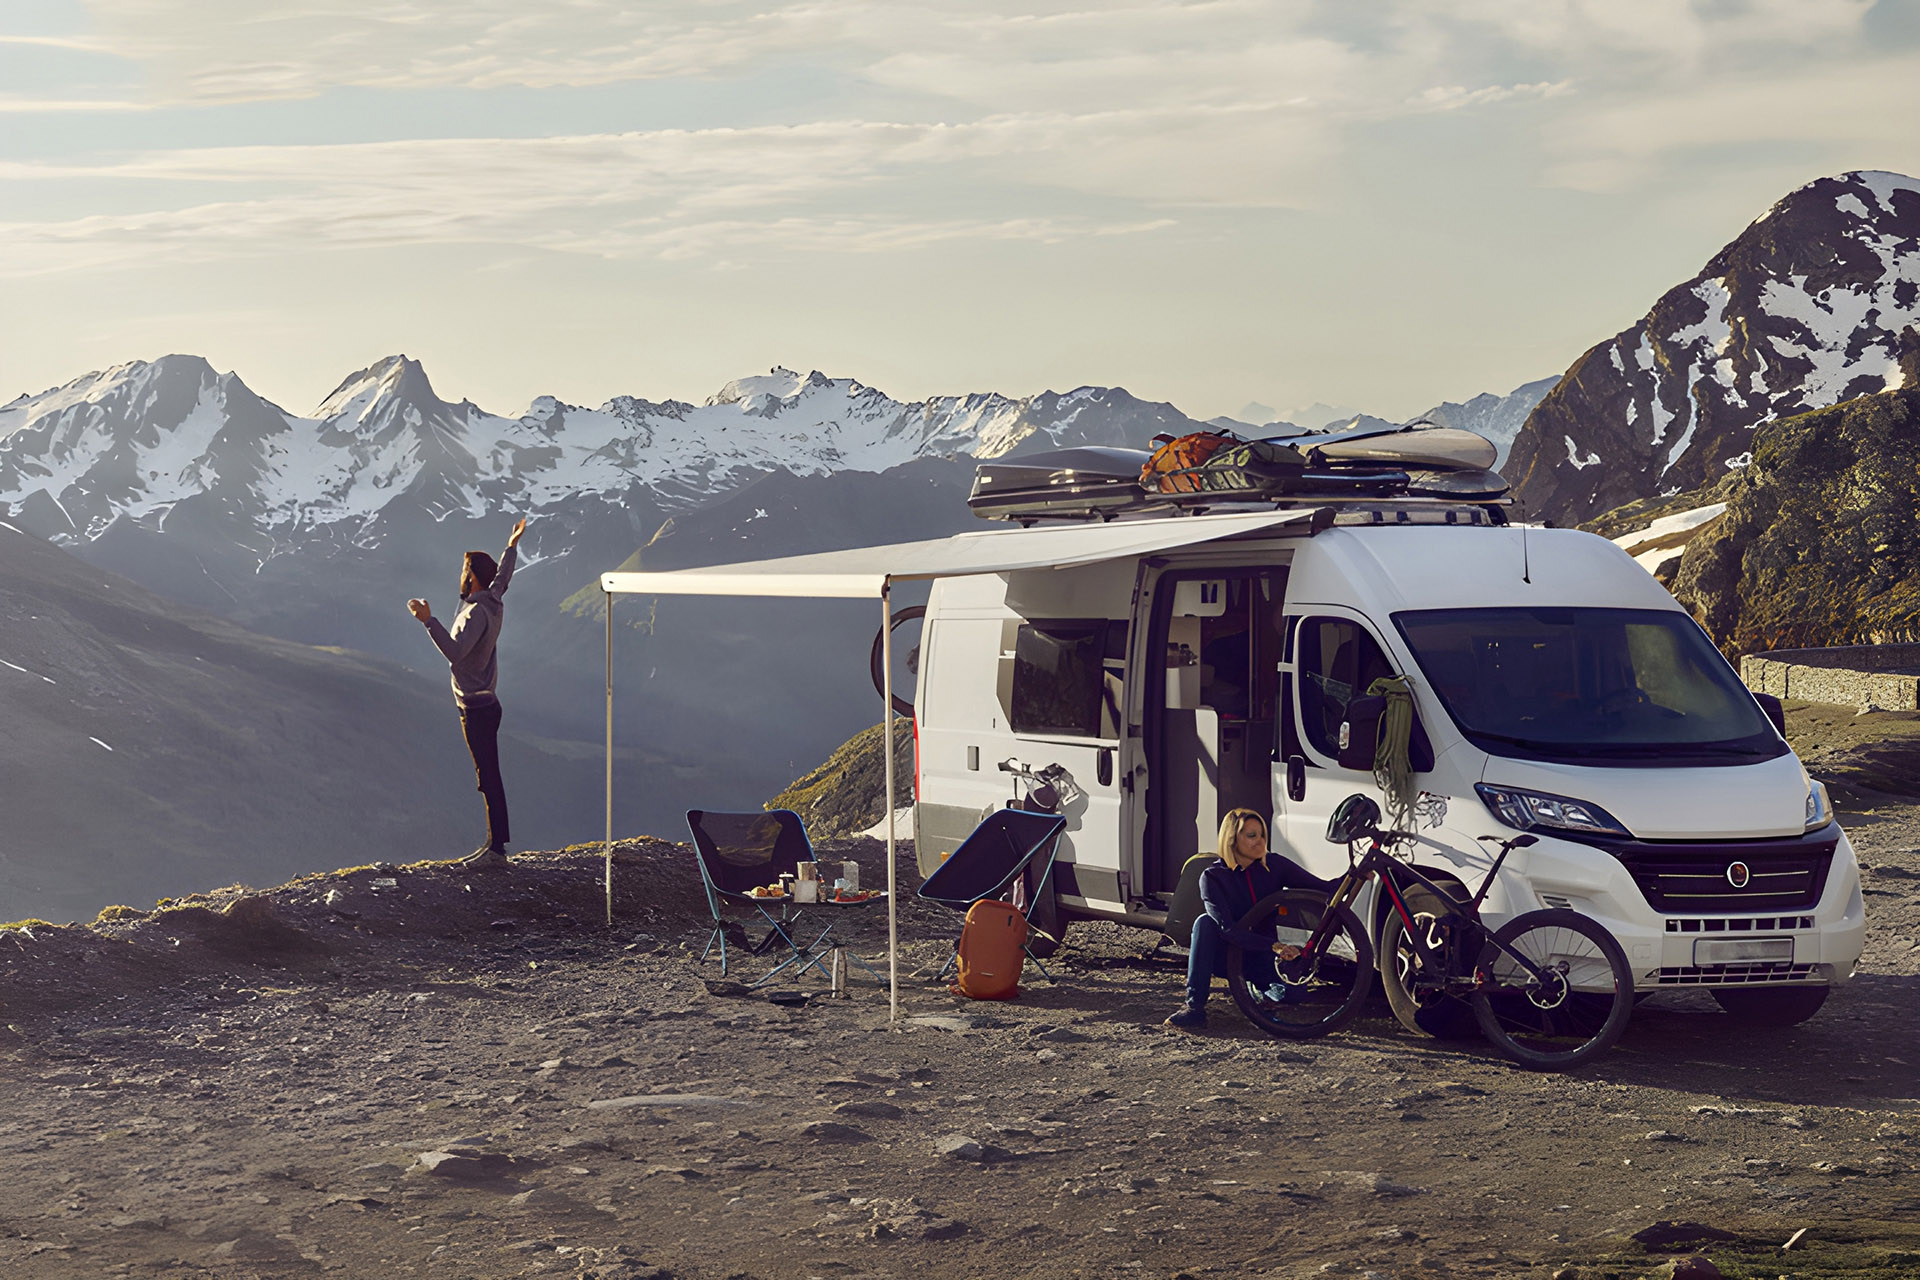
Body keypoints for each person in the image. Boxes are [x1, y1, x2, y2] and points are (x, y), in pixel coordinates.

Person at [409, 517, 526, 867]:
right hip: (488, 703)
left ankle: (495, 851)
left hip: (475, 707)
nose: (461, 576)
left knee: (487, 776)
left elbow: (456, 652)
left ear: (472, 576)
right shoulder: (494, 598)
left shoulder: (476, 612)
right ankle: (495, 844)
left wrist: (428, 620)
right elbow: (503, 577)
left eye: (464, 570)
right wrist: (512, 545)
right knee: (490, 774)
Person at [1165, 808, 1307, 1029]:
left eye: (1262, 835)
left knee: (1295, 995)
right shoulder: (1212, 877)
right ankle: (1193, 1008)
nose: (1260, 841)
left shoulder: (1275, 865)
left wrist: (1357, 875)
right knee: (1204, 923)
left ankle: (1256, 989)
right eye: (1251, 836)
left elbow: (1324, 887)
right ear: (1231, 839)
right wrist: (1275, 946)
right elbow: (1227, 929)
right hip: (1228, 956)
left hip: (1263, 957)